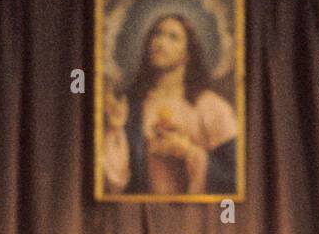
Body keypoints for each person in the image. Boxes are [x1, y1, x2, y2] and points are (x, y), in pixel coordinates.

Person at [102, 13, 238, 196]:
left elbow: (234, 179)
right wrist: (116, 128)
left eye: (173, 37)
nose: (159, 42)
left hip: (200, 218)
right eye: (157, 34)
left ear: (188, 53)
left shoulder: (212, 106)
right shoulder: (132, 106)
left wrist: (188, 152)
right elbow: (114, 185)